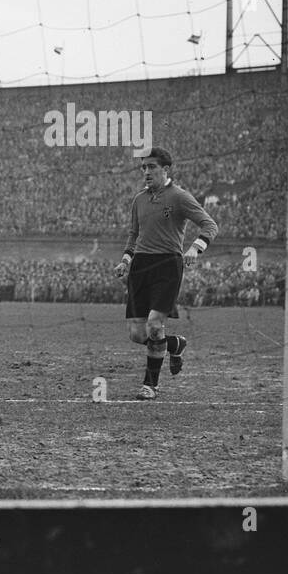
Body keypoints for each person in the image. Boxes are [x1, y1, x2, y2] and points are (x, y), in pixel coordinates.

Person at [114, 147, 218, 400]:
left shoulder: (180, 197)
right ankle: (174, 344)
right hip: (140, 267)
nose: (146, 172)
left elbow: (209, 224)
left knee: (154, 324)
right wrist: (126, 260)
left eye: (151, 167)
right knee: (138, 334)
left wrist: (195, 247)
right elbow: (133, 233)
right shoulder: (139, 199)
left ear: (165, 169)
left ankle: (150, 385)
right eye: (143, 167)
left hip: (167, 265)